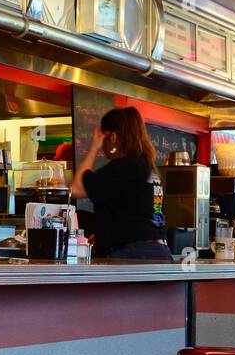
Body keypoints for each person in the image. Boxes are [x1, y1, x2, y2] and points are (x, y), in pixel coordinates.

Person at [69, 106, 170, 260]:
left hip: (133, 256)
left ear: (113, 137)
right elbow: (138, 215)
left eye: (104, 139)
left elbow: (76, 189)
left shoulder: (122, 167)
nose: (103, 146)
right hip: (160, 253)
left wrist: (93, 148)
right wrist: (109, 234)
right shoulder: (149, 170)